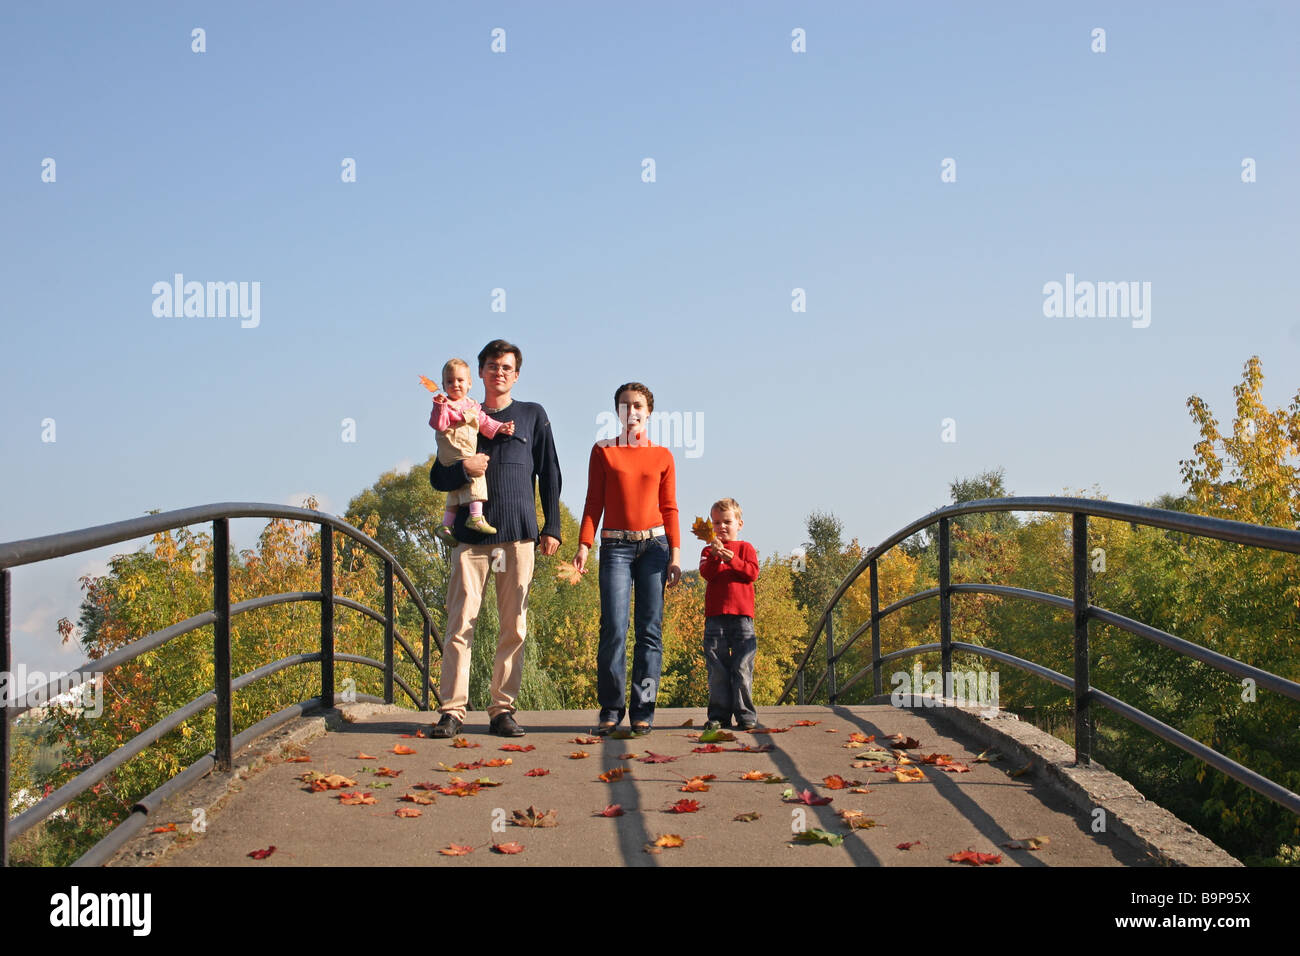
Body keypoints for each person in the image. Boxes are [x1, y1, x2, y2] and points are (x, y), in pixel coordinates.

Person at [428, 340, 561, 738]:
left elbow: (550, 474)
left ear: (516, 374)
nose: (498, 372)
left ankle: (502, 710)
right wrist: (464, 469)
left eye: (506, 367)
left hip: (518, 536)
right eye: (491, 366)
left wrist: (551, 526)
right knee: (460, 624)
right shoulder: (461, 410)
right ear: (480, 373)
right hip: (471, 539)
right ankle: (452, 710)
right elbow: (438, 476)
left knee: (513, 626)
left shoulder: (533, 415)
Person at [573, 382, 681, 736]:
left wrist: (676, 554)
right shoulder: (603, 451)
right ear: (617, 411)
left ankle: (643, 708)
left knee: (650, 633)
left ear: (648, 411)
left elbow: (669, 507)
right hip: (615, 548)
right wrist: (584, 545)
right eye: (624, 405)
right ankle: (611, 707)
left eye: (637, 405)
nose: (631, 411)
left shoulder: (663, 455)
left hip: (655, 549)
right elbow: (593, 503)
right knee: (614, 629)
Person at [428, 358, 516, 545]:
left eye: (460, 380)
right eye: (450, 381)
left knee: (456, 490)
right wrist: (439, 406)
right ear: (443, 385)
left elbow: (484, 423)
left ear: (469, 383)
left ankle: (445, 525)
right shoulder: (445, 406)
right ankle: (476, 516)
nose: (455, 385)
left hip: (457, 457)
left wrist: (500, 427)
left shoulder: (472, 407)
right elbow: (438, 424)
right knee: (477, 475)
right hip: (454, 450)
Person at [698, 498, 760, 731]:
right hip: (715, 616)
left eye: (727, 522)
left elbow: (752, 573)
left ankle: (745, 714)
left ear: (739, 524)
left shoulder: (746, 548)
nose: (721, 527)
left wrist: (732, 559)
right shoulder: (708, 550)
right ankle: (719, 715)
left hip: (742, 616)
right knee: (717, 669)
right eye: (716, 523)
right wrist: (715, 556)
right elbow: (707, 574)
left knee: (742, 667)